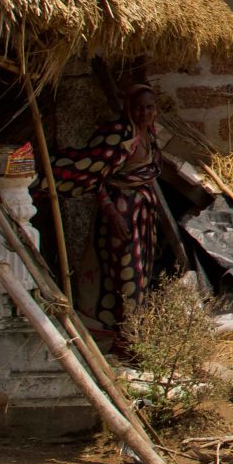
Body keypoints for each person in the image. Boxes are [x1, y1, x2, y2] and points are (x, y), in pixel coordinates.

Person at [51, 84, 165, 336]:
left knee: (142, 271)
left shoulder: (151, 135)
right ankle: (123, 334)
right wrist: (112, 212)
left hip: (142, 214)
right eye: (138, 107)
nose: (144, 112)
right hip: (121, 213)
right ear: (129, 108)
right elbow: (96, 175)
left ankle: (133, 333)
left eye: (149, 107)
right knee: (126, 270)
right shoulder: (117, 134)